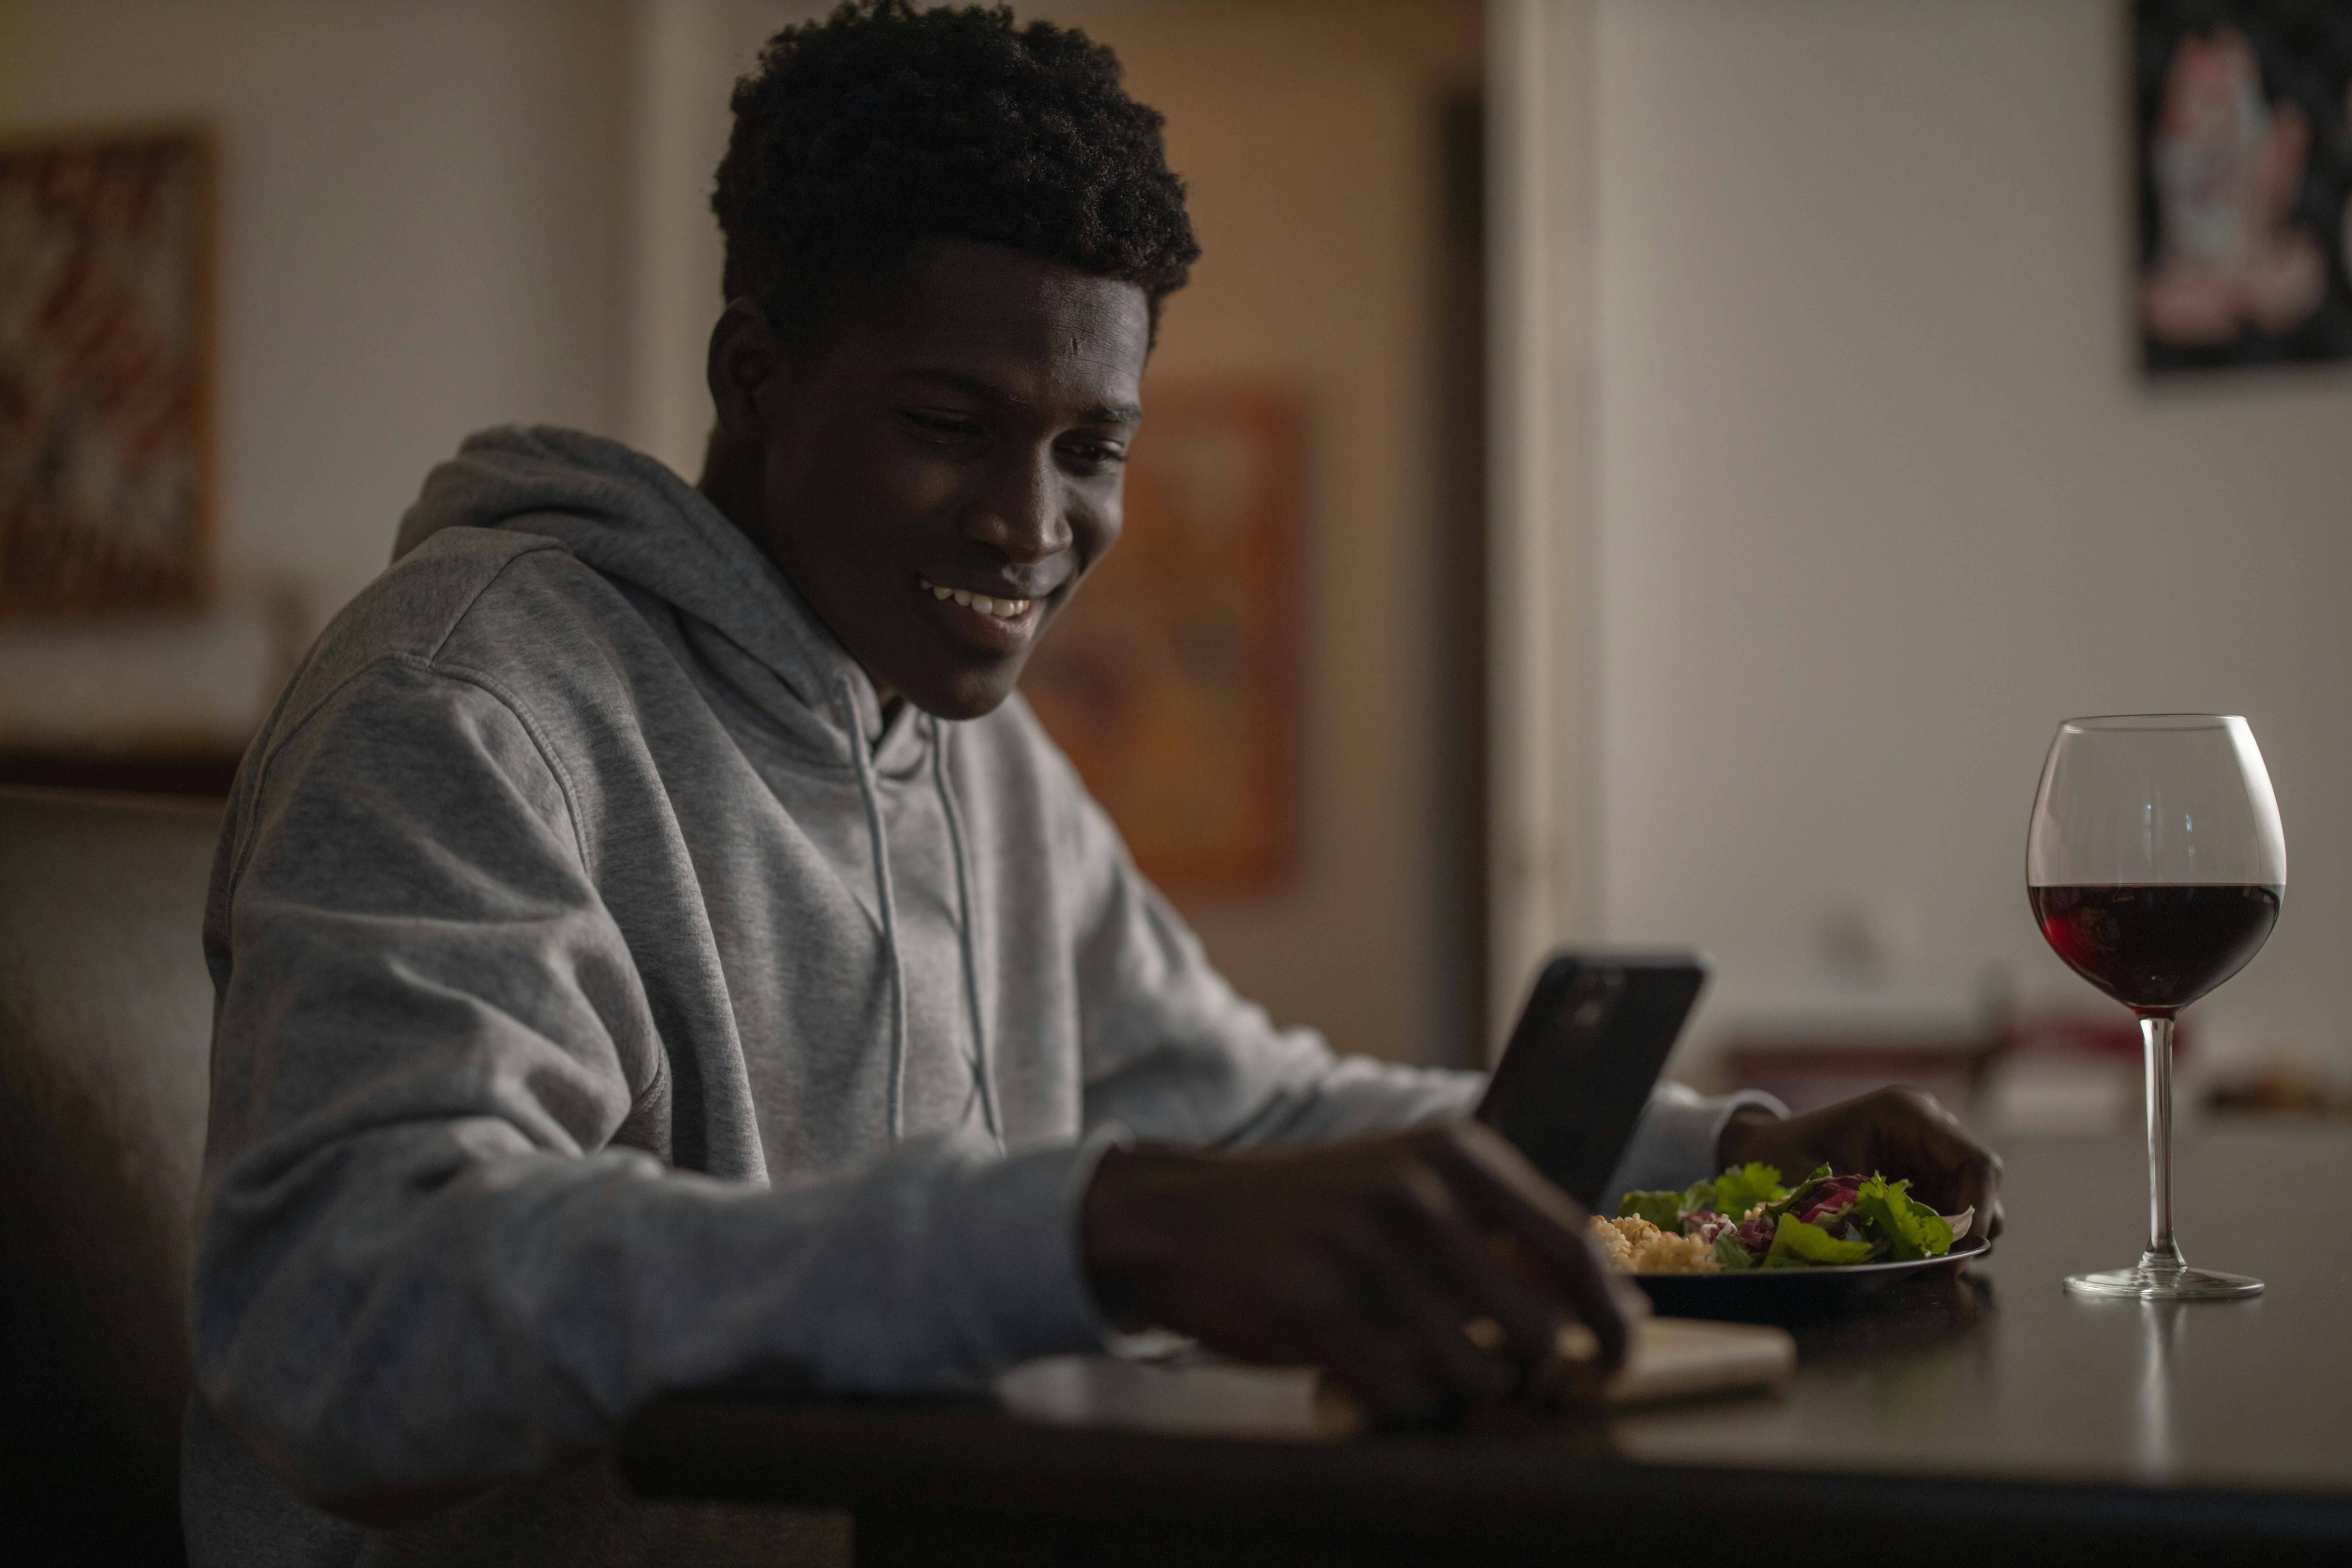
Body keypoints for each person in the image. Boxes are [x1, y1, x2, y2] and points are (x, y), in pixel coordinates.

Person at [181, 4, 2001, 1563]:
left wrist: (1722, 1160)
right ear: (758, 375)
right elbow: (351, 1303)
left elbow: (1243, 1109)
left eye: (1093, 447)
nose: (1031, 528)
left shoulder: (970, 751)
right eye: (950, 426)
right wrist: (1098, 1224)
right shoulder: (468, 705)